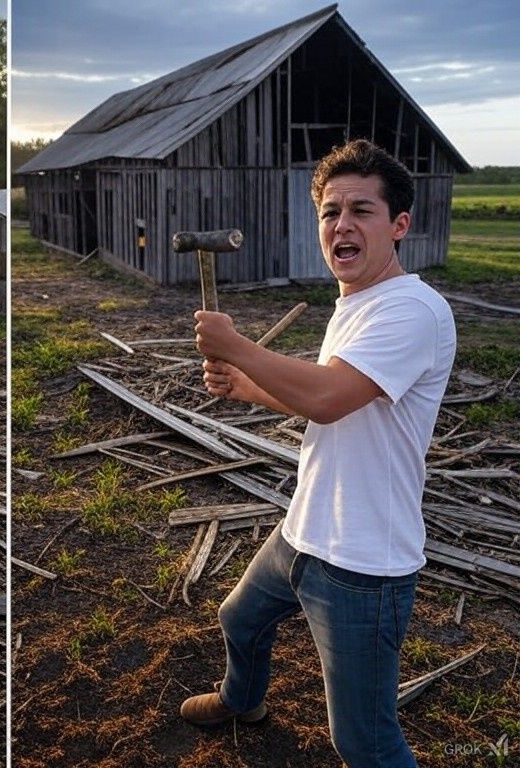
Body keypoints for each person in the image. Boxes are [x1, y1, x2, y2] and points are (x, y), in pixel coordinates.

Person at [181, 139, 455, 768]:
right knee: (239, 620)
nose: (343, 225)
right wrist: (250, 386)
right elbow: (337, 403)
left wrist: (238, 345)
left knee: (364, 742)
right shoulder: (356, 303)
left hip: (364, 564)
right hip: (305, 532)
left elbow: (330, 397)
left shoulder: (413, 310)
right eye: (331, 212)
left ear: (399, 225)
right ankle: (242, 700)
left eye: (362, 210)